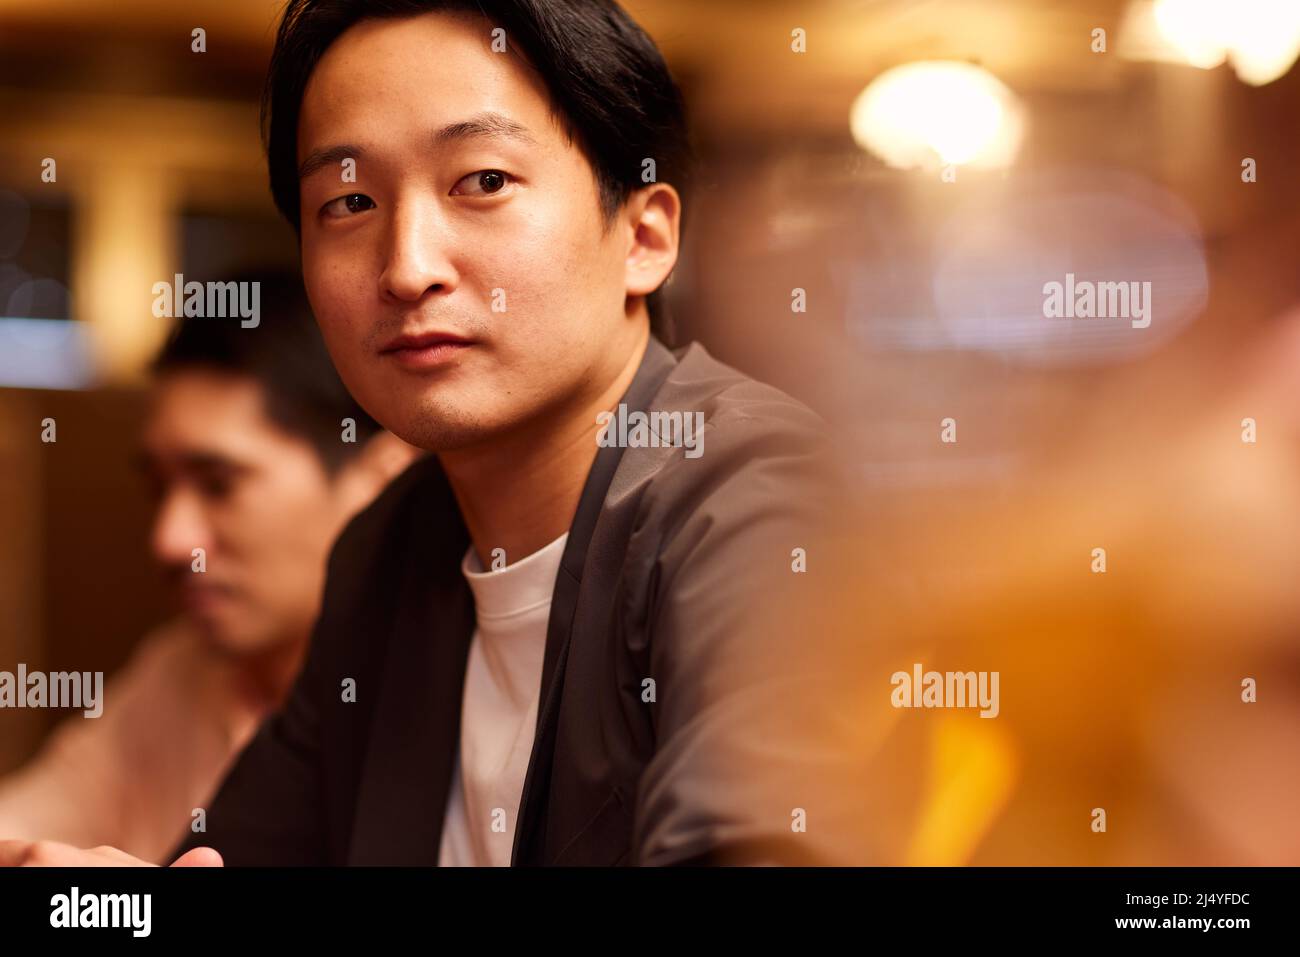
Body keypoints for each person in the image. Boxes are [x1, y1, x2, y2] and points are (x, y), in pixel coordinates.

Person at [1, 0, 849, 868]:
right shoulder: (392, 547)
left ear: (643, 233)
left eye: (482, 181)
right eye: (350, 199)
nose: (407, 267)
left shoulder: (751, 501)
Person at [0, 271, 419, 862]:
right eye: (159, 489)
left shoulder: (446, 705)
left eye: (220, 485)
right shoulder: (181, 672)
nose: (169, 541)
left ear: (382, 481)